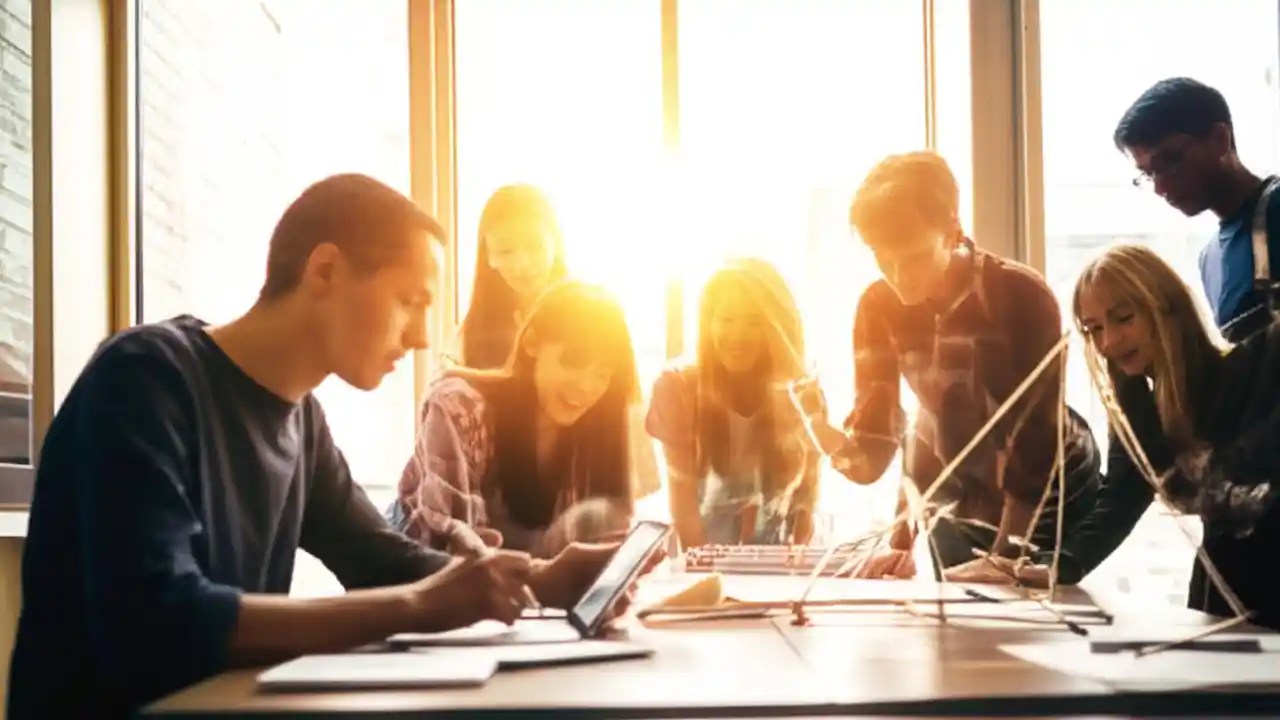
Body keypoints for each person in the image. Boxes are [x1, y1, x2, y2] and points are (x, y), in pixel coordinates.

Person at [7, 175, 633, 718]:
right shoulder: (145, 378)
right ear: (325, 271)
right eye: (409, 302)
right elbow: (158, 622)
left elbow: (381, 559)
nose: (420, 335)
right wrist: (416, 607)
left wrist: (540, 582)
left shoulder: (301, 422)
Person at [800, 151, 1103, 577]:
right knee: (957, 607)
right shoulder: (877, 306)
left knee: (1021, 606)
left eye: (914, 257)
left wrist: (1007, 556)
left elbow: (1035, 440)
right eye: (883, 258)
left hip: (1056, 481)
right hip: (966, 478)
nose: (899, 274)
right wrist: (898, 539)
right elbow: (884, 440)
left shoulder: (1021, 297)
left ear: (952, 230)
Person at [987, 244, 1280, 629]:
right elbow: (1121, 500)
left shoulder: (1254, 371)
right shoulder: (1144, 415)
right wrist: (1055, 566)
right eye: (1094, 330)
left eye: (1123, 318)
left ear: (1166, 306)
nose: (1108, 342)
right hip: (1221, 602)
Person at [389, 280, 639, 558]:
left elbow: (607, 542)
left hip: (521, 585)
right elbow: (456, 542)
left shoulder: (595, 429)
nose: (586, 386)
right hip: (419, 575)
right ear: (531, 343)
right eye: (574, 361)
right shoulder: (459, 408)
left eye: (603, 374)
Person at [646, 258, 820, 548]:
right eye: (726, 320)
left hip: (777, 563)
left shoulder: (801, 392)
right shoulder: (678, 389)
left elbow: (806, 502)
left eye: (754, 322)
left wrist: (793, 569)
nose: (738, 335)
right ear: (708, 322)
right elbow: (682, 502)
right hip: (698, 559)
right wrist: (706, 572)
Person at [1114, 77, 1280, 343]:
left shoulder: (1275, 209)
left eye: (1170, 160)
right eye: (1148, 174)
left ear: (1219, 139)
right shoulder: (1209, 259)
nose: (1160, 186)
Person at [458, 184, 568, 368]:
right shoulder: (472, 333)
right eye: (505, 251)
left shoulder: (591, 316)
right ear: (489, 257)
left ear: (555, 244)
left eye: (534, 247)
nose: (522, 264)